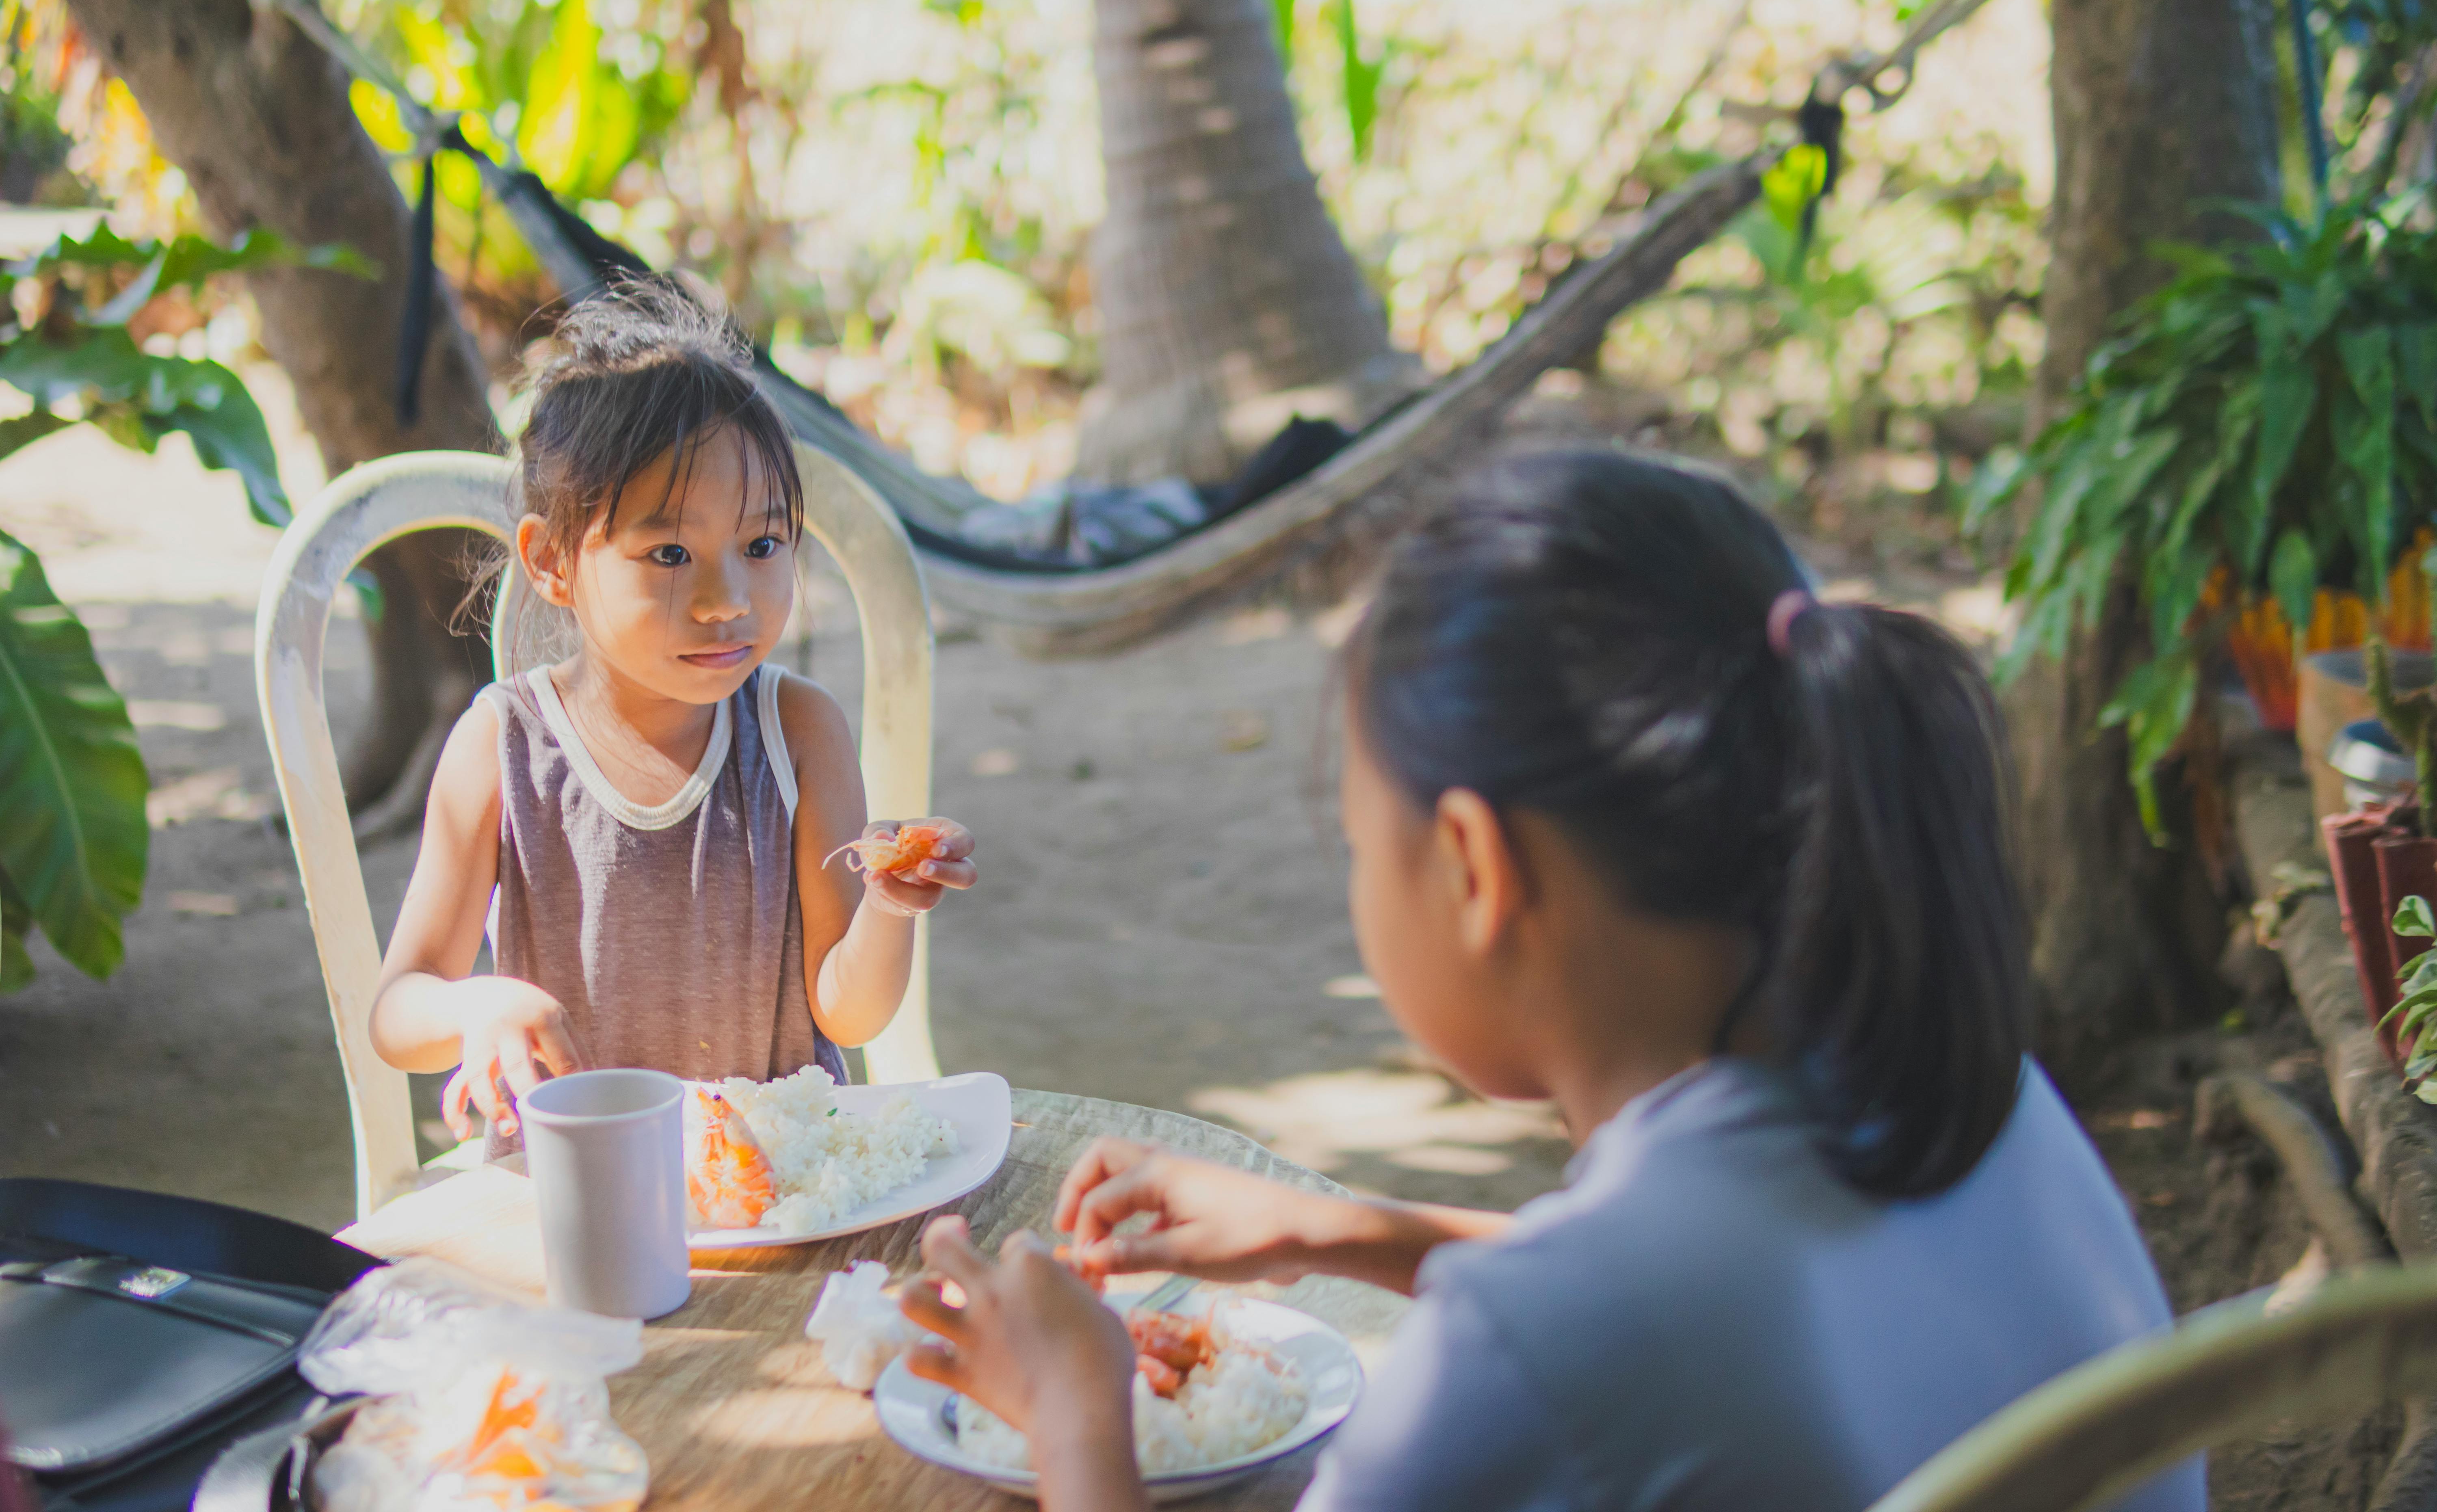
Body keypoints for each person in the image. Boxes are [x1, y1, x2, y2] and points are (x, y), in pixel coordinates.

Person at [896, 447, 2199, 1512]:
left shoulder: (1538, 1345)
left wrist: (1078, 1421)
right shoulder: (1977, 1095)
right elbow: (1699, 1296)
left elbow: (1594, 1327)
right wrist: (1354, 1234)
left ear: (1474, 867)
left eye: (1359, 839)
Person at [368, 289, 974, 1143]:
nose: (727, 600)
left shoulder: (798, 731)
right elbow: (397, 1012)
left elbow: (847, 1012)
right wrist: (479, 1003)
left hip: (778, 1177)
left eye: (762, 546)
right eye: (671, 554)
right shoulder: (502, 745)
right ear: (551, 562)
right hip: (581, 1179)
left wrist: (889, 905)